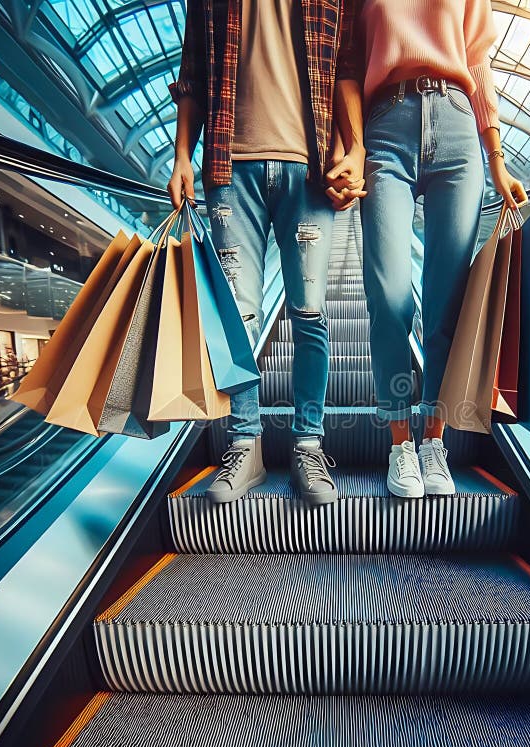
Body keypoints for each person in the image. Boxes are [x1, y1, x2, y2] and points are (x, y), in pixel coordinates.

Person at [328, 0, 527, 498]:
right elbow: (346, 67)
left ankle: (435, 442)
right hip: (385, 126)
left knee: (448, 302)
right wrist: (349, 146)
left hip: (459, 127)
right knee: (389, 297)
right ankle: (400, 444)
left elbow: (477, 62)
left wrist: (497, 160)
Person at [168, 0, 354, 507]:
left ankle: (308, 444)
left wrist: (347, 148)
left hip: (310, 171)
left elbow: (344, 68)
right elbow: (193, 72)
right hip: (230, 170)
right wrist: (183, 155)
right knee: (239, 318)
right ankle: (245, 445)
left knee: (310, 314)